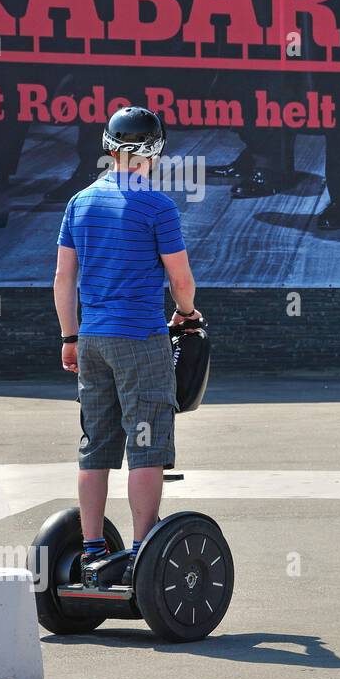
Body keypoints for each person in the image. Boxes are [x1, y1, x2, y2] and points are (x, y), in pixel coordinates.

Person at [53, 106, 204, 586]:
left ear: (109, 144)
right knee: (147, 446)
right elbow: (180, 279)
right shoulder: (157, 206)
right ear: (156, 149)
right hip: (140, 337)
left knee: (95, 446)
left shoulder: (80, 202)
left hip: (93, 340)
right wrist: (186, 313)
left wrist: (70, 337)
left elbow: (63, 278)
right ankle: (144, 554)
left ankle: (91, 551)